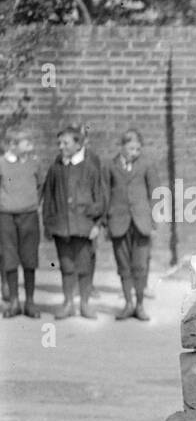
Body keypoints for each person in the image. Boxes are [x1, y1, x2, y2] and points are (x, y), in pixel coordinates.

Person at [40, 125, 106, 320]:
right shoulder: (56, 168)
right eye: (59, 143)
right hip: (62, 228)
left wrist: (96, 224)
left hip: (84, 228)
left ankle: (84, 304)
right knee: (66, 266)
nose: (61, 147)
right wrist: (48, 223)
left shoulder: (90, 169)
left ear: (78, 145)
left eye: (65, 143)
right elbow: (49, 198)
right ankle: (68, 302)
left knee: (84, 267)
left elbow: (101, 199)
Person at [106, 128, 163, 322]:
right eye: (131, 148)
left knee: (140, 265)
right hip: (118, 221)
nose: (135, 152)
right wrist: (106, 223)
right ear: (122, 147)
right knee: (124, 265)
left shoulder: (146, 165)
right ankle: (128, 303)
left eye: (138, 149)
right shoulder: (111, 166)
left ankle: (139, 305)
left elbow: (156, 193)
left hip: (141, 221)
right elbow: (105, 194)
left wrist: (154, 221)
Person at [0, 127, 43, 318]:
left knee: (29, 258)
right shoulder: (1, 164)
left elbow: (40, 186)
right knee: (9, 258)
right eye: (27, 143)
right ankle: (14, 302)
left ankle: (30, 302)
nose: (31, 145)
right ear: (12, 145)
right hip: (6, 217)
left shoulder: (34, 164)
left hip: (29, 216)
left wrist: (32, 204)